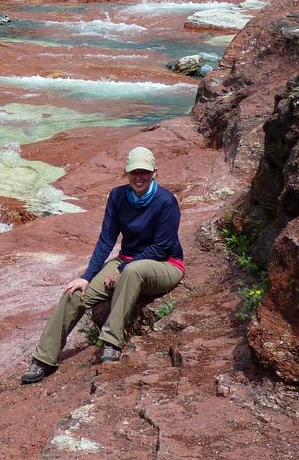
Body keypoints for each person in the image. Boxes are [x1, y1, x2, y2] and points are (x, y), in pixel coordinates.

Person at [21, 146, 184, 384]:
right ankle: (44, 358)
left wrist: (119, 270)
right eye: (134, 172)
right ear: (126, 172)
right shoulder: (117, 196)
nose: (139, 177)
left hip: (166, 264)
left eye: (145, 172)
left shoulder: (166, 202)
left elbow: (162, 247)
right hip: (127, 261)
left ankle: (111, 342)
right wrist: (87, 276)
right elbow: (107, 239)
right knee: (74, 294)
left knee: (131, 271)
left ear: (154, 173)